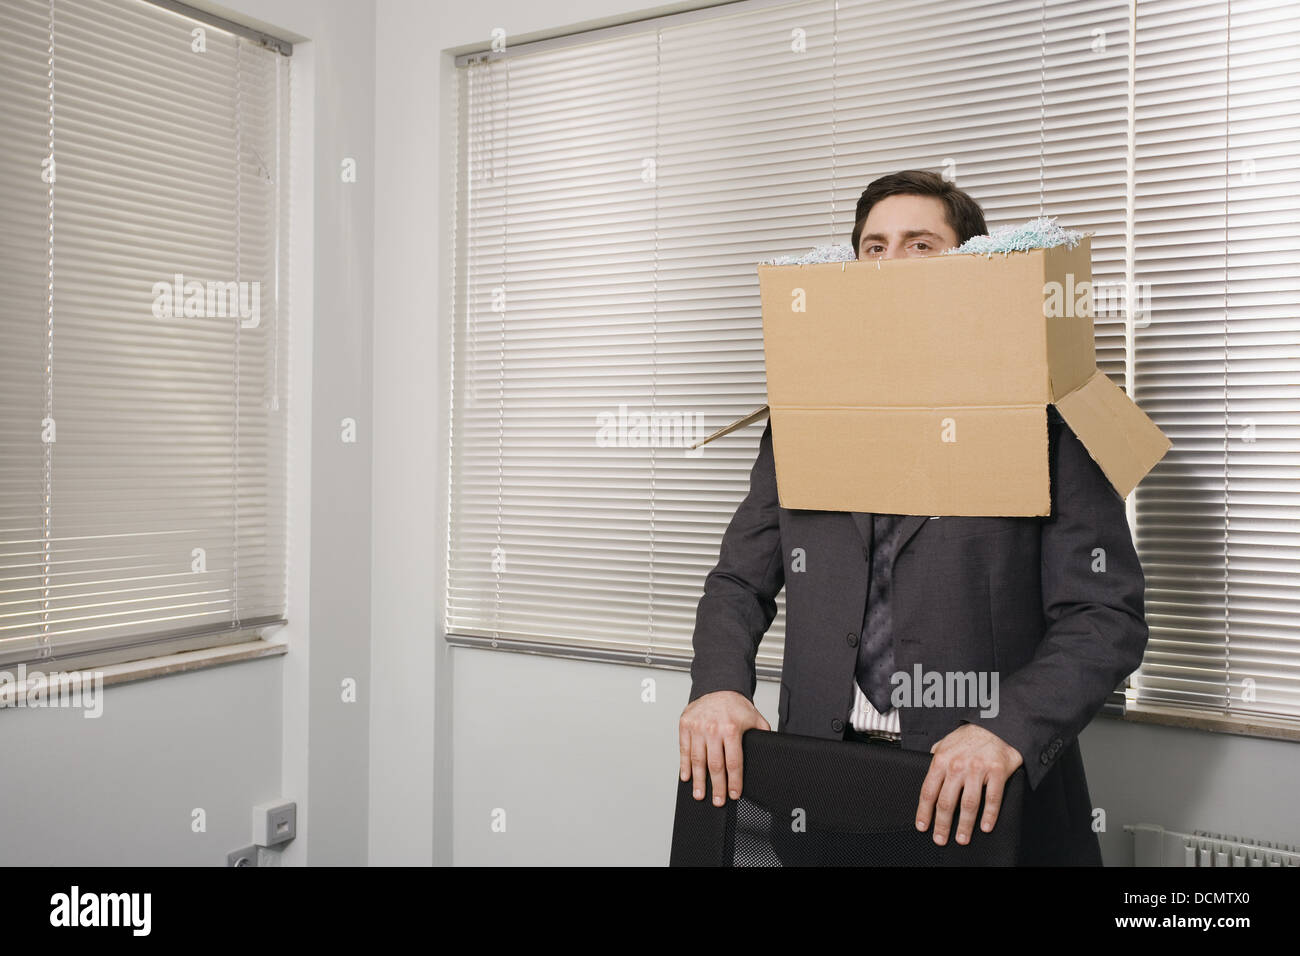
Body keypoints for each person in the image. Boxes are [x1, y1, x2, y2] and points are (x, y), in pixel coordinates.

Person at [677, 169, 1149, 865]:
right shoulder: (805, 421)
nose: (893, 263)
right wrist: (718, 684)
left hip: (982, 793)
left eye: (921, 245)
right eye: (874, 247)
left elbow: (1105, 616)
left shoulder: (1047, 422)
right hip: (825, 783)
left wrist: (1008, 729)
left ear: (971, 265)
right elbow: (737, 583)